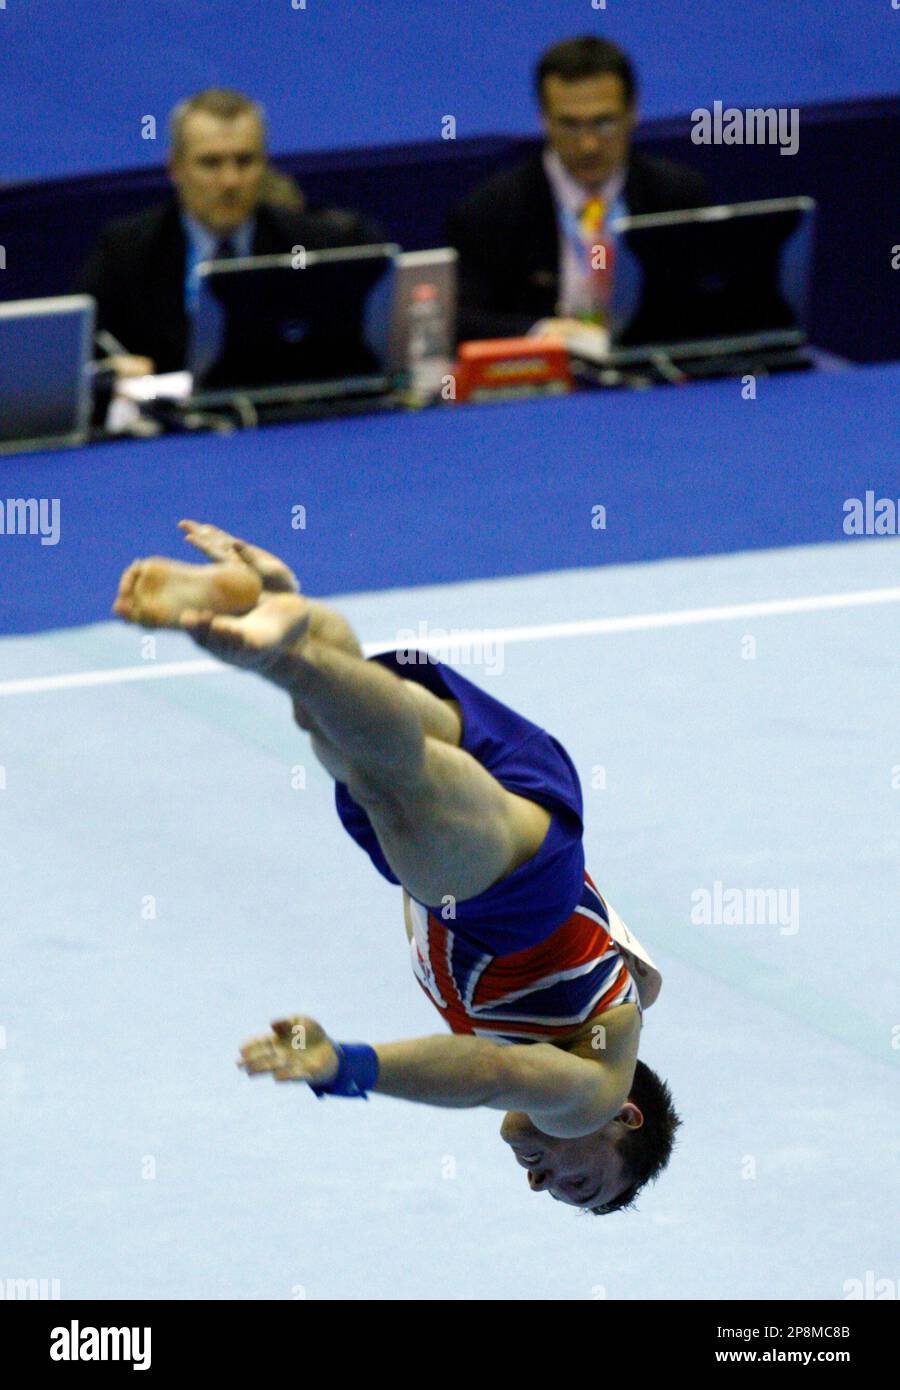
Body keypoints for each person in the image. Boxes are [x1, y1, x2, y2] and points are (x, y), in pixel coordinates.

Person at [112, 521, 681, 1214]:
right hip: (506, 898)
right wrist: (346, 1066)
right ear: (626, 1118)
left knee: (355, 743)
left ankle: (281, 608)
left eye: (550, 1191)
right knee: (382, 769)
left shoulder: (619, 1008)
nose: (539, 1179)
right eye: (578, 1181)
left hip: (531, 802)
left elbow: (612, 995)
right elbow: (493, 1074)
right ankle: (281, 653)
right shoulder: (590, 1094)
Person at [75, 89, 383, 377]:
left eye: (245, 161)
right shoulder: (125, 254)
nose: (230, 180)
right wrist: (112, 371)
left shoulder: (318, 245)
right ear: (176, 168)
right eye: (210, 163)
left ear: (264, 164)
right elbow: (87, 355)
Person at [446, 35, 710, 349]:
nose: (589, 145)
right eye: (570, 125)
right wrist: (544, 334)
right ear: (543, 119)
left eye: (604, 122)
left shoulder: (677, 197)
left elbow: (707, 305)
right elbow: (459, 320)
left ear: (633, 112)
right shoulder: (490, 212)